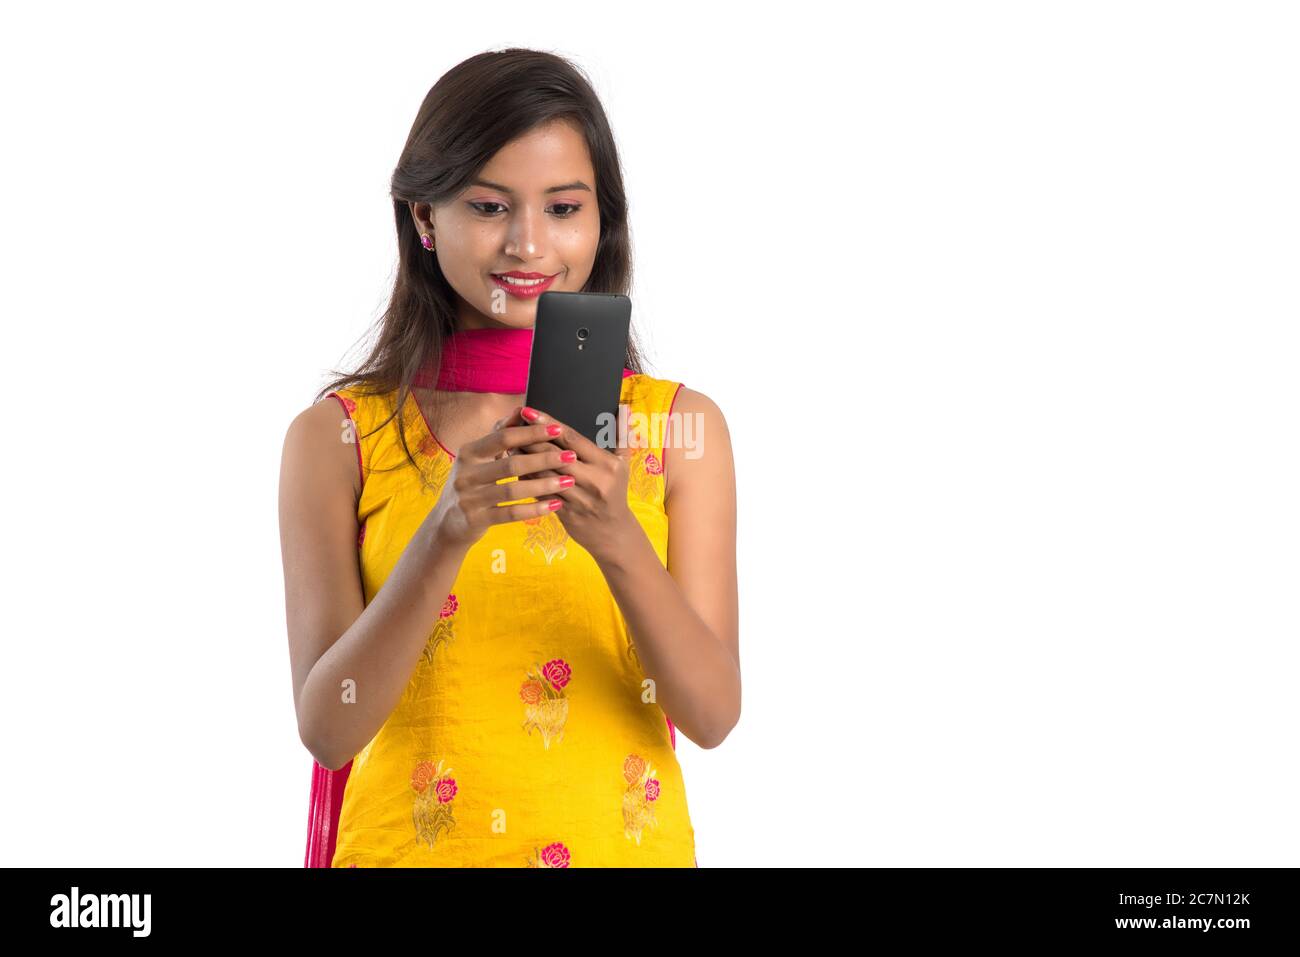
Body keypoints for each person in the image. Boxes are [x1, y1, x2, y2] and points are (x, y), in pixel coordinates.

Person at [279, 48, 739, 867]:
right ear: (424, 217)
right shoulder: (340, 437)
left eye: (564, 208)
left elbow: (711, 714)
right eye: (489, 206)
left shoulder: (675, 429)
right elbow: (328, 726)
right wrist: (445, 530)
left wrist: (617, 540)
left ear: (603, 221)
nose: (529, 244)